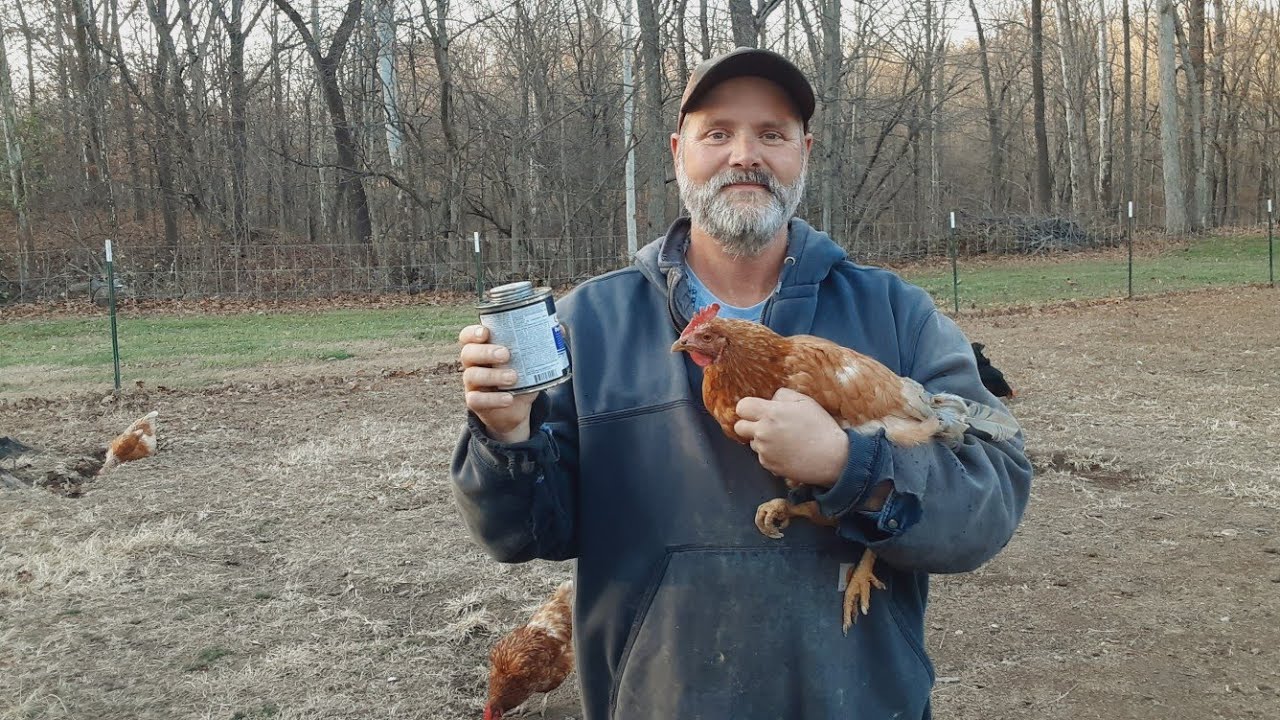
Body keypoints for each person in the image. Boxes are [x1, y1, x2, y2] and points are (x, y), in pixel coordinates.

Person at [452, 47, 1032, 720]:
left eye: (772, 134)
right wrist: (506, 436)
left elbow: (989, 502)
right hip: (662, 700)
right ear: (679, 152)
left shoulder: (895, 312)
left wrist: (853, 466)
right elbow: (519, 535)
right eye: (718, 132)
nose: (744, 155)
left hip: (856, 702)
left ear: (804, 152)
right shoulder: (590, 322)